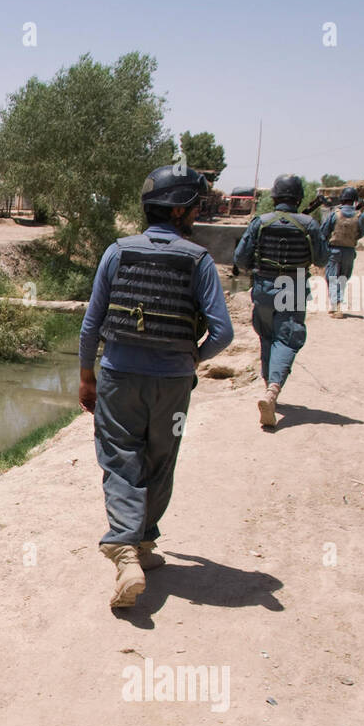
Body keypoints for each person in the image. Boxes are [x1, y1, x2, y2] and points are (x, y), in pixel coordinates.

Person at [78, 166, 233, 609]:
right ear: (179, 210)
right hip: (174, 385)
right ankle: (142, 544)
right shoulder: (199, 261)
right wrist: (191, 359)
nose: (198, 213)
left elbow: (91, 324)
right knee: (162, 458)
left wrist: (87, 376)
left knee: (120, 458)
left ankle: (126, 551)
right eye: (195, 207)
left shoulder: (117, 252)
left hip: (119, 378)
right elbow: (223, 333)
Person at [233, 174, 329, 428]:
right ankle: (273, 391)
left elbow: (240, 259)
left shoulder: (260, 222)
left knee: (267, 337)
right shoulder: (309, 224)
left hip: (263, 289)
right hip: (293, 289)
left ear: (274, 197)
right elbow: (322, 259)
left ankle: (269, 388)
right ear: (299, 198)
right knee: (287, 338)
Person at [321, 186, 364, 316]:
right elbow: (361, 233)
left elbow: (324, 231)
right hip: (349, 251)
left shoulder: (334, 214)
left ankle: (335, 304)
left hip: (334, 250)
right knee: (343, 278)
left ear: (342, 199)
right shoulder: (360, 216)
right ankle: (338, 303)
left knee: (332, 277)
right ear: (354, 200)